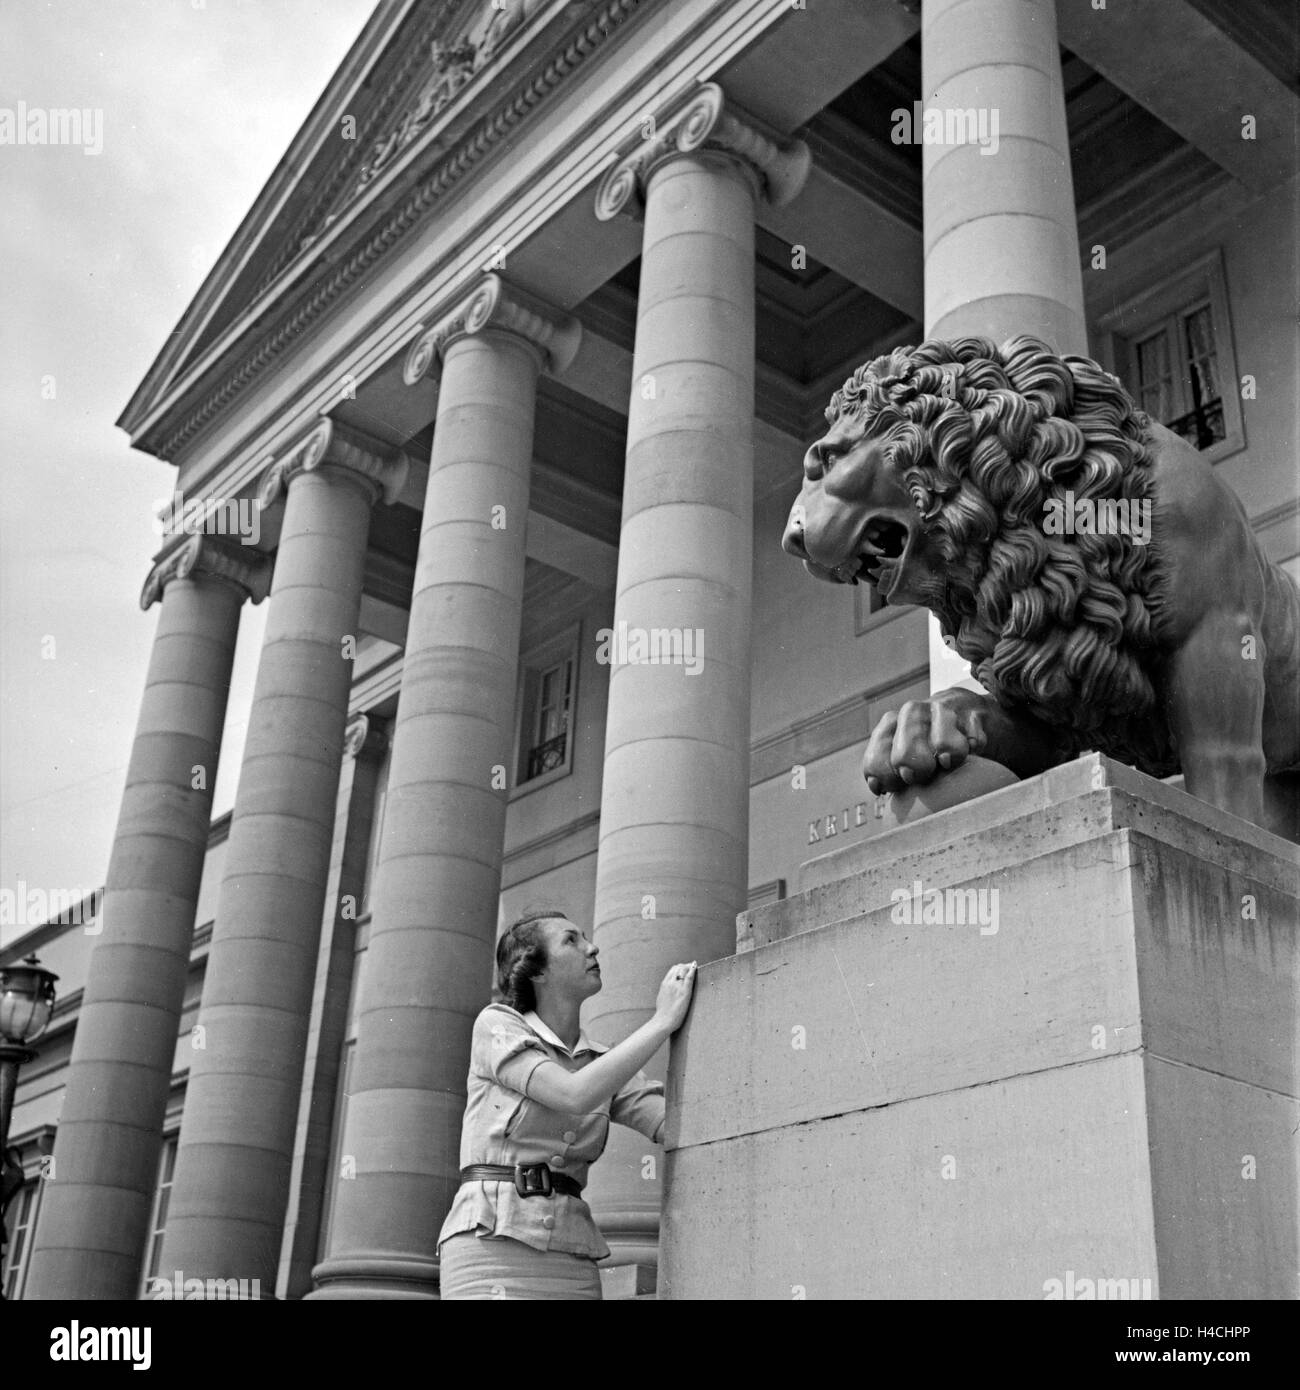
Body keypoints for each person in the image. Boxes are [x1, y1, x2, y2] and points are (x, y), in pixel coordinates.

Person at [437, 907, 697, 1299]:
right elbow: (572, 1094)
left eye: (586, 938)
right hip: (492, 1244)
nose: (592, 948)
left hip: (571, 1256)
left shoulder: (600, 1061)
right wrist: (662, 1021)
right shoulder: (496, 1026)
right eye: (571, 940)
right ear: (536, 970)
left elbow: (677, 1124)